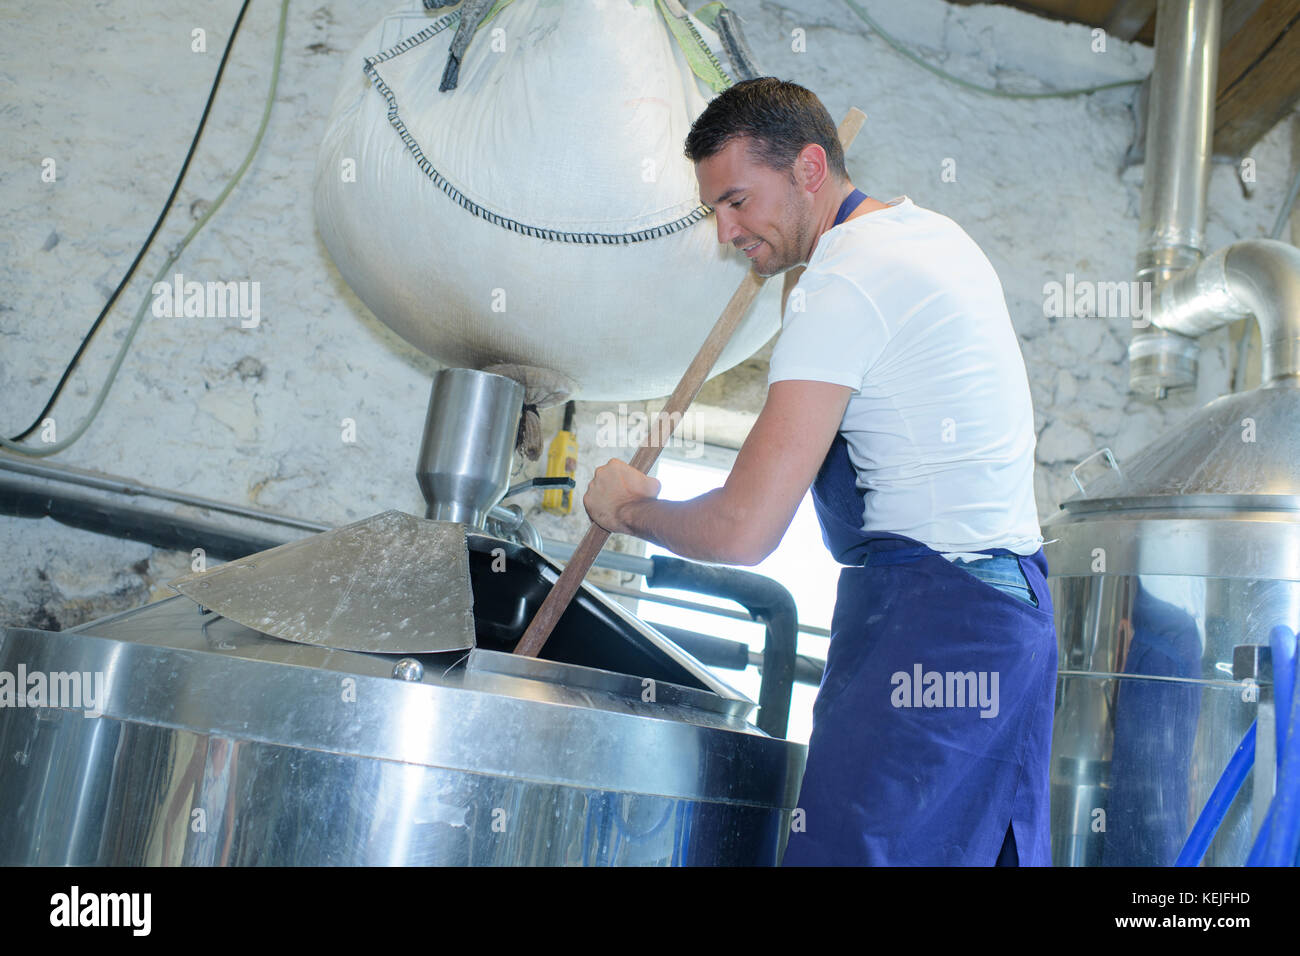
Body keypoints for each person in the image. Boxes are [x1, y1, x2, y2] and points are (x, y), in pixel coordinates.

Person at [582, 77, 1057, 866]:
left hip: (933, 623)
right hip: (1010, 618)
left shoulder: (842, 279)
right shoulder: (929, 236)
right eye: (716, 212)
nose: (728, 231)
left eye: (737, 201)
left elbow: (743, 530)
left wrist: (630, 509)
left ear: (808, 168)